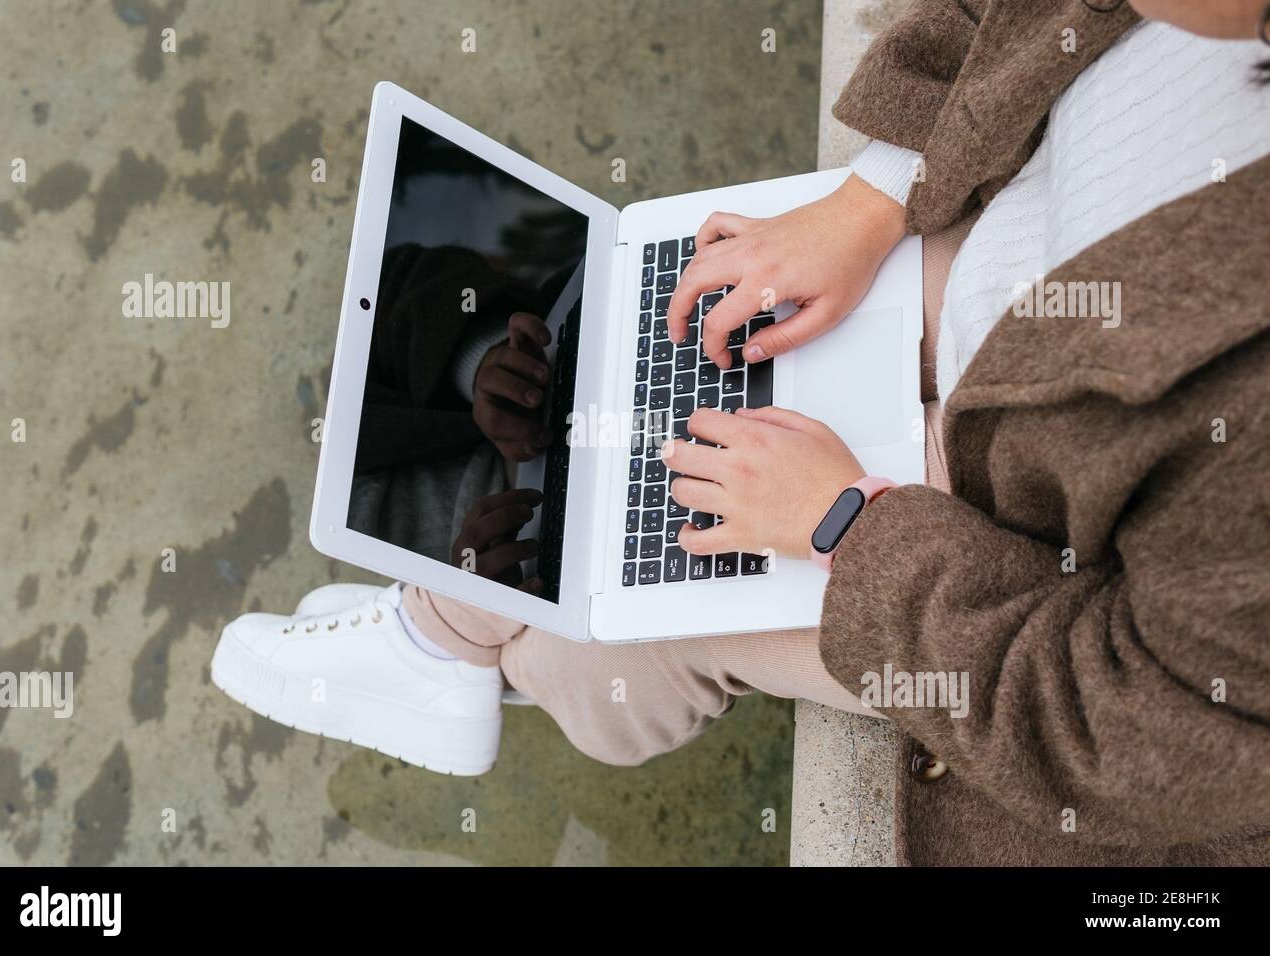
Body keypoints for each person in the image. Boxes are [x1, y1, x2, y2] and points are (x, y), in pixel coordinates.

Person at [212, 0, 1270, 865]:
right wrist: (870, 201)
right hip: (1019, 288)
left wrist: (847, 524)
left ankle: (459, 646)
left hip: (1036, 517)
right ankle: (451, 634)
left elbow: (1140, 725)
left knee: (603, 632)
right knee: (643, 339)